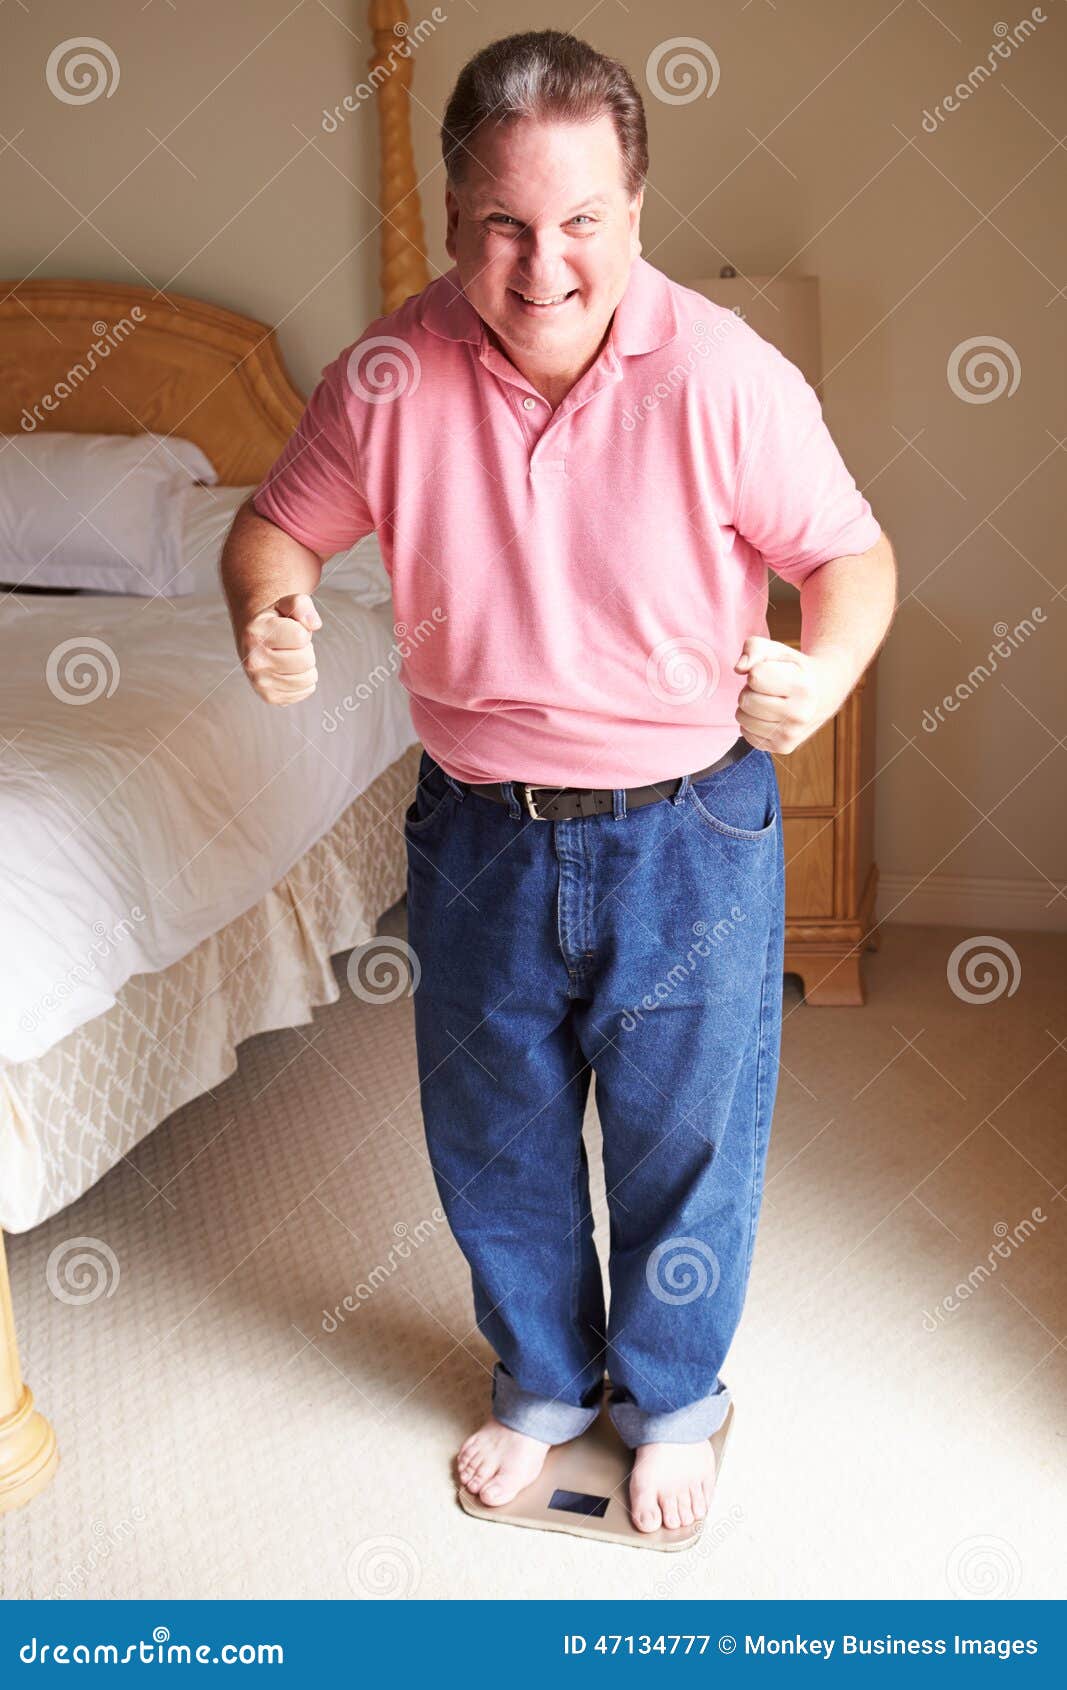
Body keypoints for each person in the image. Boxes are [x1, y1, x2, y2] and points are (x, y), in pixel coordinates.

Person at [221, 29, 896, 1535]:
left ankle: (669, 1400)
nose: (543, 264)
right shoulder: (390, 372)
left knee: (686, 1133)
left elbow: (850, 559)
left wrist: (825, 669)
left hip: (690, 828)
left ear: (637, 213)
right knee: (495, 1127)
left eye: (582, 220)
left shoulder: (728, 376)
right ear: (457, 221)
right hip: (478, 829)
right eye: (506, 226)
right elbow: (274, 528)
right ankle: (537, 1380)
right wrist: (262, 604)